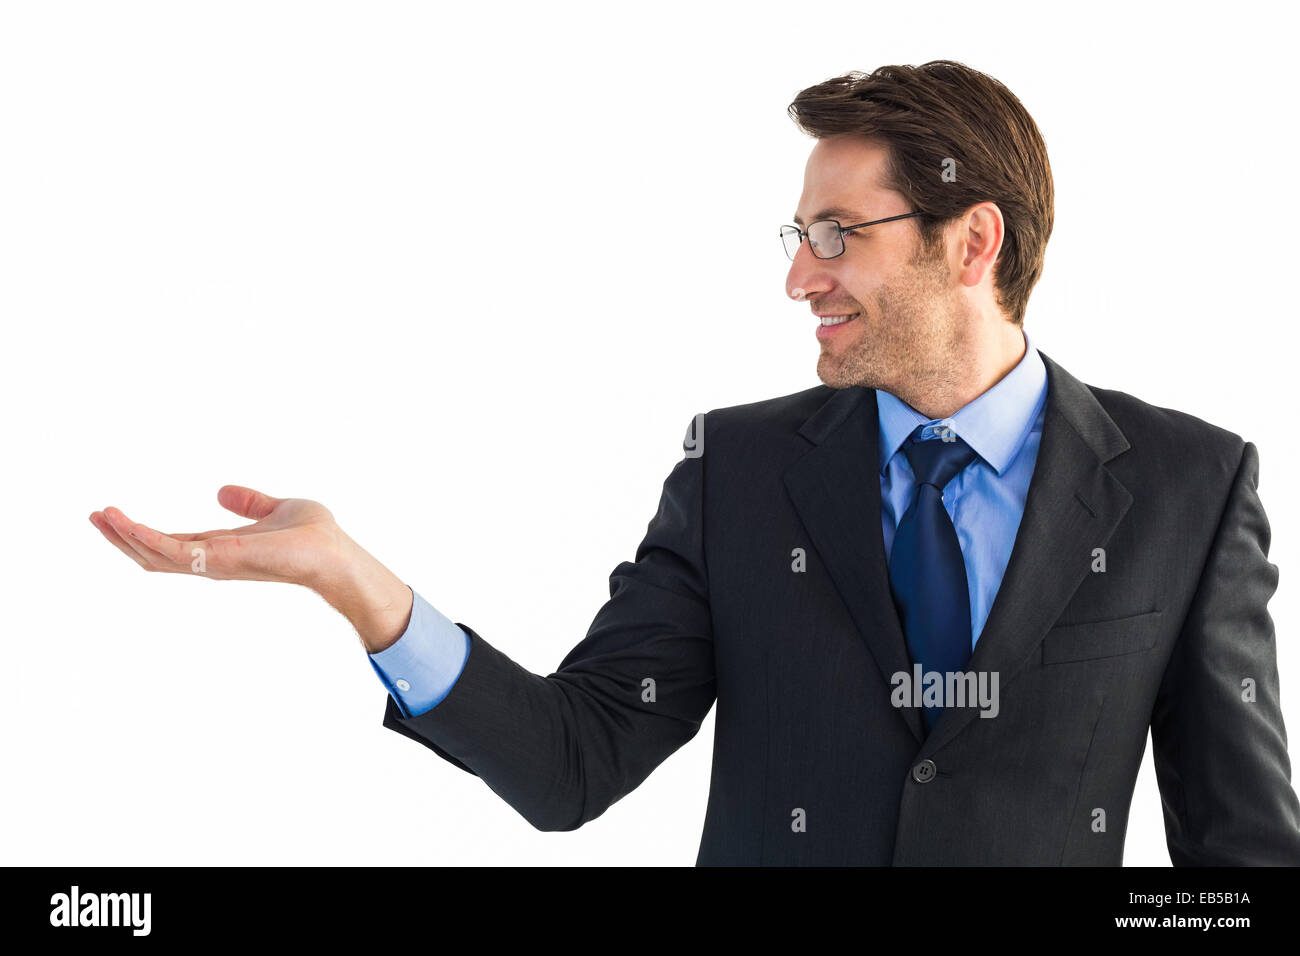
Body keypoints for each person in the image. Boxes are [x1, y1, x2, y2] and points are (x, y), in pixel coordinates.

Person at [90, 59, 1300, 865]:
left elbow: (1242, 858)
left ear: (971, 240)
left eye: (838, 234)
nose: (798, 275)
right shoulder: (740, 469)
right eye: (797, 234)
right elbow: (576, 757)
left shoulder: (1188, 488)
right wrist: (360, 587)